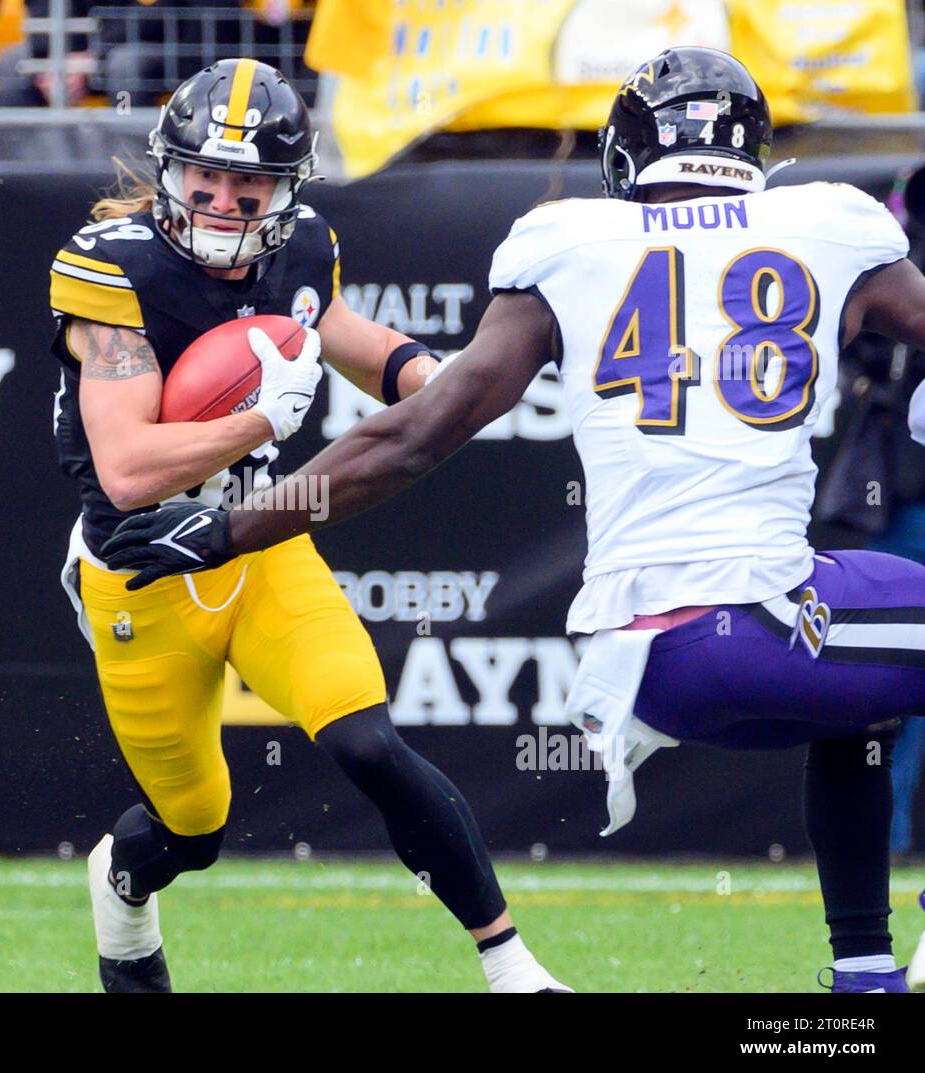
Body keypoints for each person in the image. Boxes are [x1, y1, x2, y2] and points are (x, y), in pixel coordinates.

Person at [103, 46, 925, 994]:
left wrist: (224, 529)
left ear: (626, 155)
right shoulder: (828, 223)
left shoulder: (568, 241)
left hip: (643, 668)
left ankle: (864, 983)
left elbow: (411, 437)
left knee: (866, 707)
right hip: (760, 617)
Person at [49, 57, 569, 993]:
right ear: (170, 170)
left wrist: (445, 384)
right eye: (204, 176)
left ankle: (513, 967)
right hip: (142, 570)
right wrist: (258, 420)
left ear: (284, 189)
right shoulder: (110, 267)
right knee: (192, 828)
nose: (220, 200)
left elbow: (344, 335)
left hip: (257, 541)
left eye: (247, 183)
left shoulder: (301, 247)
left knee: (367, 739)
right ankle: (122, 886)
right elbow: (126, 472)